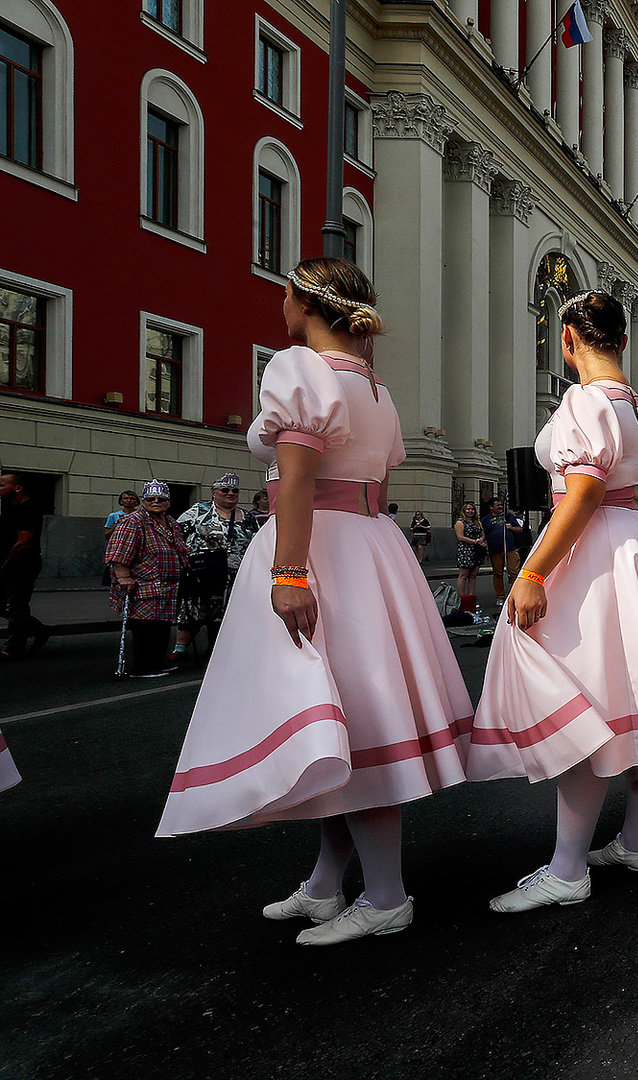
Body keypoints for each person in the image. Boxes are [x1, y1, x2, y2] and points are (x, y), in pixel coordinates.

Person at [155, 257, 478, 945]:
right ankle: (329, 882)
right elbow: (367, 481)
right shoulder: (374, 387)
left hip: (319, 549)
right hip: (367, 546)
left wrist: (290, 572)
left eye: (286, 293)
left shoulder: (298, 368)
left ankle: (386, 895)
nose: (281, 302)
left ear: (305, 304)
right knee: (339, 724)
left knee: (349, 728)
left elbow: (296, 481)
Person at [469, 291, 638, 913]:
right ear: (622, 340)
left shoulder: (585, 400)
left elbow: (583, 492)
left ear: (569, 339)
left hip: (591, 548)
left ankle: (567, 869)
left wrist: (533, 571)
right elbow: (635, 492)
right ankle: (636, 838)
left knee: (584, 702)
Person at [106, 480, 189, 677]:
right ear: (143, 501)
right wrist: (123, 577)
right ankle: (143, 667)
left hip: (169, 587)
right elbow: (118, 552)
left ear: (168, 502)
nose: (156, 501)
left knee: (162, 627)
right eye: (151, 499)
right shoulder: (133, 521)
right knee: (146, 628)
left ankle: (156, 662)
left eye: (161, 499)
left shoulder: (172, 523)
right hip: (145, 585)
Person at [173, 473, 259, 661]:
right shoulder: (198, 511)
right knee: (193, 609)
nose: (230, 494)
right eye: (225, 490)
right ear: (214, 493)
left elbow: (256, 542)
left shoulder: (247, 517)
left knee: (225, 613)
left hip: (234, 577)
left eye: (235, 491)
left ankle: (217, 649)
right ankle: (180, 648)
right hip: (202, 573)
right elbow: (176, 534)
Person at [0, 471, 50, 659]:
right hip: (8, 563)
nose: (0, 489)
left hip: (21, 564)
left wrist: (6, 564)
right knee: (4, 605)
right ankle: (38, 629)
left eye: (2, 485)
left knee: (16, 605)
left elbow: (24, 543)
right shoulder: (9, 507)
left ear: (18, 488)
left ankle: (13, 648)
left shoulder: (29, 509)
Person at [482, 496, 527, 605]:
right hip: (495, 550)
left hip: (510, 549)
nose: (500, 507)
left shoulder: (508, 516)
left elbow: (520, 529)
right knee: (497, 573)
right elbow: (482, 532)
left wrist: (511, 527)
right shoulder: (486, 520)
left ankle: (515, 594)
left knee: (514, 572)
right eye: (497, 505)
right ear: (491, 507)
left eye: (501, 505)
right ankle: (500, 596)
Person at [454, 502, 485, 612]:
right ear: (464, 510)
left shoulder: (477, 522)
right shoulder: (460, 522)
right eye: (468, 509)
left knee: (473, 575)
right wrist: (474, 541)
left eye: (472, 509)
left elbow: (482, 534)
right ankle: (462, 598)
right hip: (465, 551)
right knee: (463, 575)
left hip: (476, 551)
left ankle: (471, 597)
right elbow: (460, 537)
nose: (470, 511)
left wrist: (481, 540)